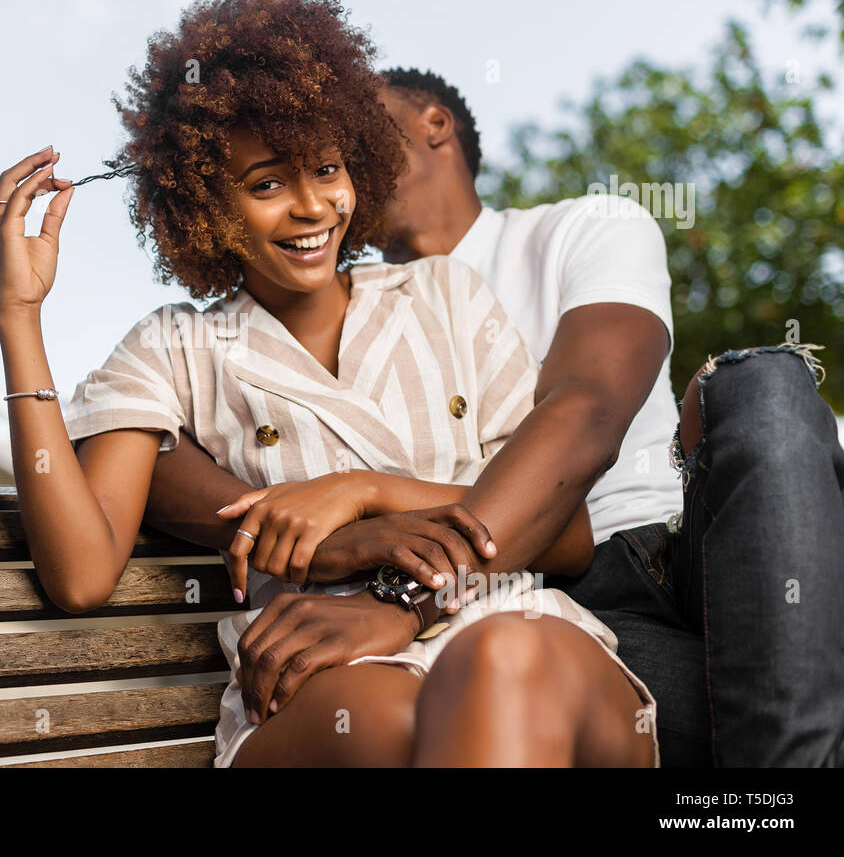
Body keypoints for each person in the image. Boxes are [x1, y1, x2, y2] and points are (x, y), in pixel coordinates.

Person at [0, 0, 658, 767]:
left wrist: (368, 495)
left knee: (500, 661)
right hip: (318, 667)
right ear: (203, 200)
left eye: (328, 170)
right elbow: (82, 571)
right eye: (266, 183)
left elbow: (568, 533)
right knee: (386, 713)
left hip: (513, 628)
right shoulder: (172, 349)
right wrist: (19, 315)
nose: (311, 207)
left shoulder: (446, 294)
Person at [143, 62, 844, 767]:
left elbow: (588, 410)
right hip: (557, 614)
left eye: (344, 137)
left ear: (433, 124)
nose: (329, 164)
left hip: (683, 565)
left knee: (764, 382)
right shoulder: (322, 315)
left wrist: (398, 580)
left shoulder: (580, 228)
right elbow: (149, 445)